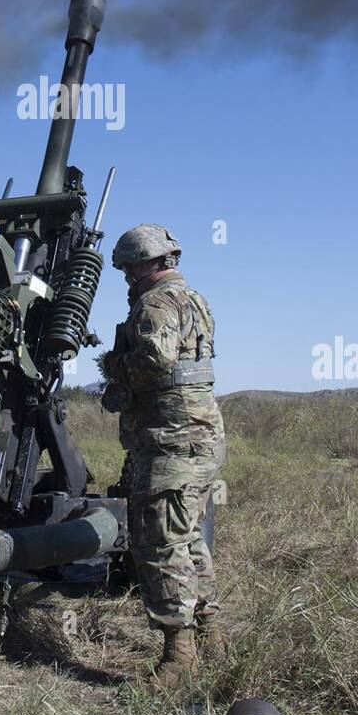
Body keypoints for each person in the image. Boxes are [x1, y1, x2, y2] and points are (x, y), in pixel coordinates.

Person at [101, 224, 225, 687]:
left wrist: (115, 370)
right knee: (190, 539)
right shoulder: (196, 300)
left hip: (170, 442)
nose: (126, 277)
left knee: (158, 545)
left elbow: (155, 358)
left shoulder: (155, 304)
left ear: (147, 263)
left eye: (129, 267)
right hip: (201, 436)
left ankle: (179, 658)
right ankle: (212, 636)